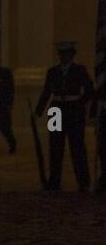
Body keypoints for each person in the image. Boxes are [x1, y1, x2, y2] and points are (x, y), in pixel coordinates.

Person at [35, 41, 94, 191]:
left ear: (72, 55)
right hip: (55, 110)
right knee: (55, 146)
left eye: (66, 54)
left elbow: (89, 90)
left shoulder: (80, 70)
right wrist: (38, 111)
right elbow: (47, 92)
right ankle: (54, 181)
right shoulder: (52, 72)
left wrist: (79, 103)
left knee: (77, 147)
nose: (63, 57)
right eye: (61, 54)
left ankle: (83, 181)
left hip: (73, 109)